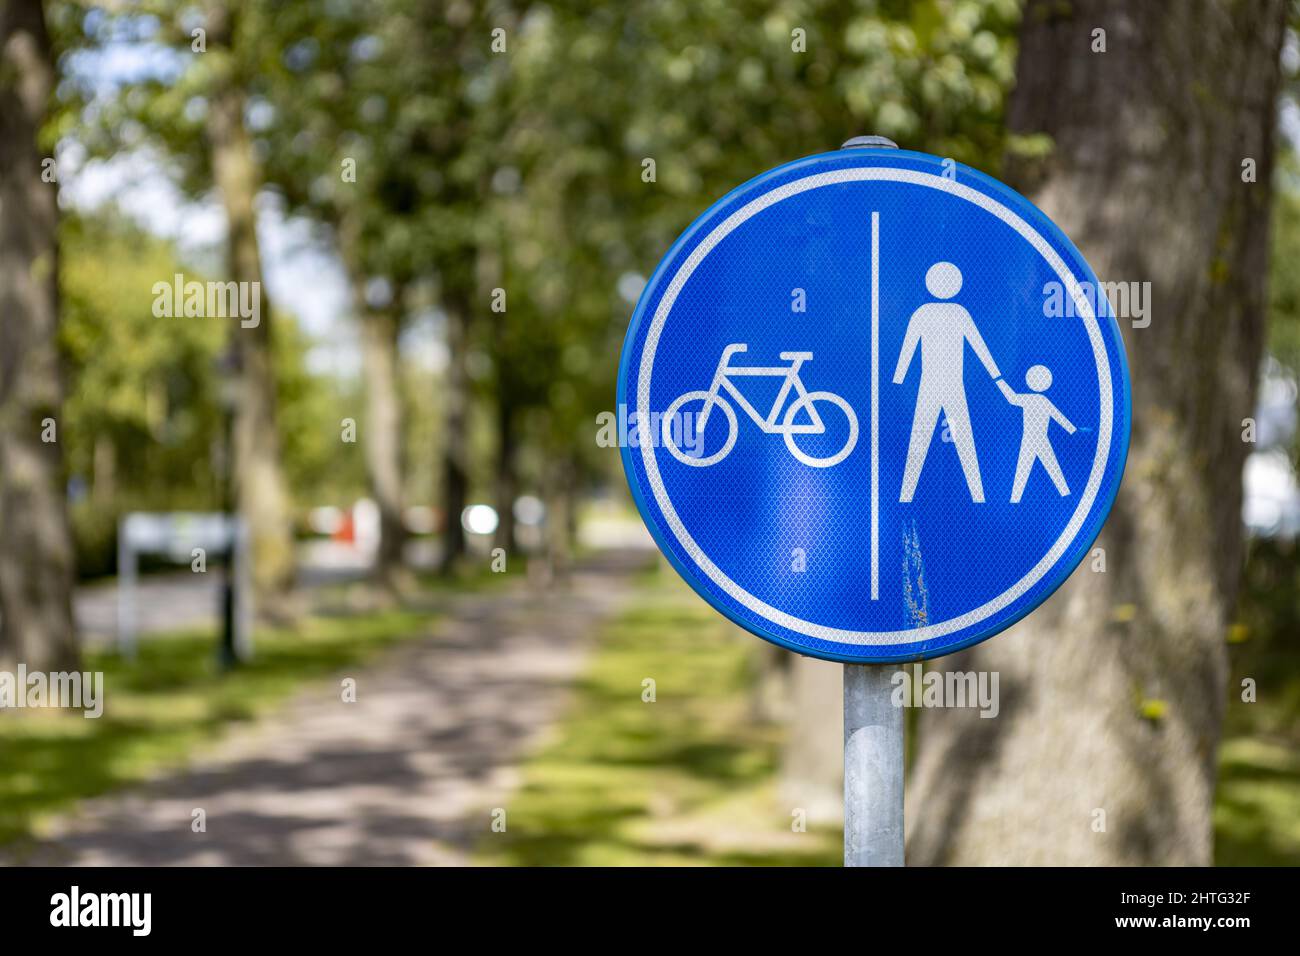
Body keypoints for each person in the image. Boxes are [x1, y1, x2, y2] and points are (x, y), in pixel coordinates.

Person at [893, 261, 1001, 502]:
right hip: (944, 384)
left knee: (927, 436)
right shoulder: (956, 313)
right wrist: (997, 377)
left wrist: (898, 380)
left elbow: (908, 348)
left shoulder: (926, 313)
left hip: (938, 384)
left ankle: (907, 495)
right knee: (955, 436)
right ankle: (977, 495)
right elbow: (981, 349)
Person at [996, 365, 1076, 503]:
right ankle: (1016, 499)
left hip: (1037, 439)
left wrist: (999, 380)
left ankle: (1015, 499)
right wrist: (1072, 430)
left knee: (1033, 467)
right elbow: (1058, 417)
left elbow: (1011, 398)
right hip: (1032, 439)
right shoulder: (1039, 400)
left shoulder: (1035, 400)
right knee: (1034, 467)